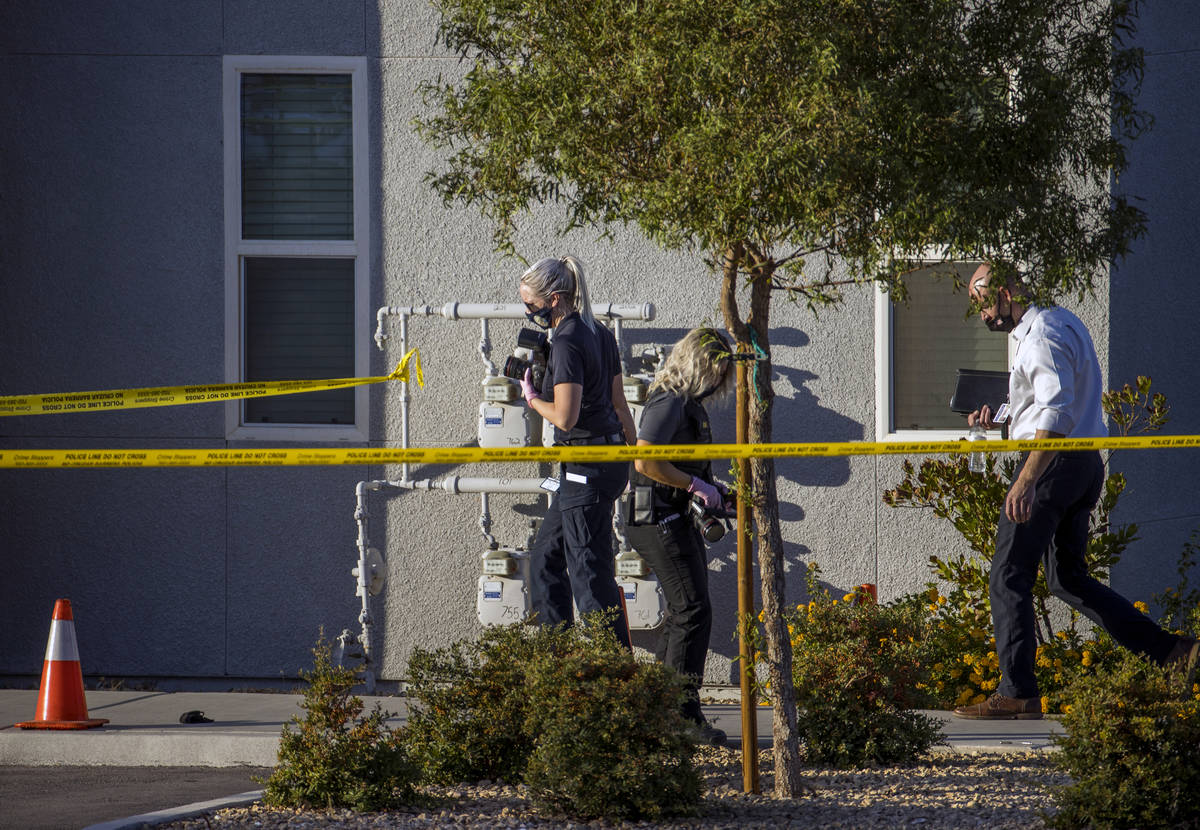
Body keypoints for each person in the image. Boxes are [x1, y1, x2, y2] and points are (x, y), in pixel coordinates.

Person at [954, 263, 1200, 719]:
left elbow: (1056, 411)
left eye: (981, 300)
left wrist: (1026, 480)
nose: (982, 314)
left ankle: (1018, 693)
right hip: (1081, 464)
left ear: (1005, 292)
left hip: (1053, 465)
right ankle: (1171, 652)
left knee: (1008, 573)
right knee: (1068, 578)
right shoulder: (1056, 323)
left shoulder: (1043, 332)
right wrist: (1001, 419)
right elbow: (1045, 405)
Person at [518, 256, 637, 648]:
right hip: (601, 463)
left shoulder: (568, 340)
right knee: (545, 561)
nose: (528, 312)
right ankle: (559, 667)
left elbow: (565, 418)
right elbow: (620, 405)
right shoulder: (598, 332)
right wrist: (628, 458)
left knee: (589, 577)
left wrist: (533, 399)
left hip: (584, 466)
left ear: (553, 299)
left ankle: (620, 678)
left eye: (530, 306)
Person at [624, 327, 734, 745]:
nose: (720, 381)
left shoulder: (688, 405)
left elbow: (684, 464)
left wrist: (712, 489)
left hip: (672, 515)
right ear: (698, 365)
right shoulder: (669, 401)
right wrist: (693, 487)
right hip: (656, 518)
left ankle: (664, 711)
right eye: (716, 371)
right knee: (692, 609)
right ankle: (682, 716)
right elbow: (646, 460)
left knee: (682, 611)